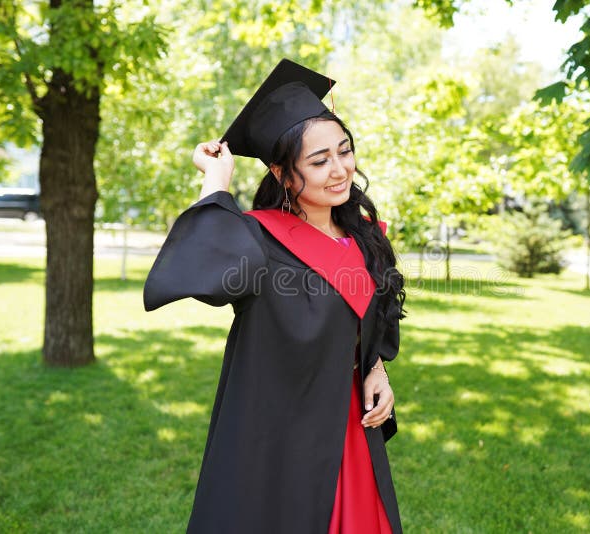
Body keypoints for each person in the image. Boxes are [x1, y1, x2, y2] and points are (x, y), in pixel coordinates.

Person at [143, 59, 406, 534]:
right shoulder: (256, 241)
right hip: (278, 439)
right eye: (319, 160)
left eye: (344, 152)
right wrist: (214, 182)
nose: (339, 169)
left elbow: (371, 314)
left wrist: (375, 366)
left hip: (349, 434)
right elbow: (196, 271)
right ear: (285, 176)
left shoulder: (363, 236)